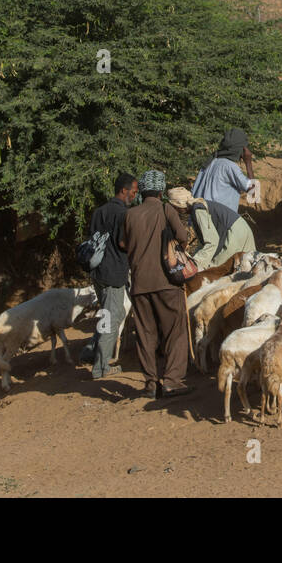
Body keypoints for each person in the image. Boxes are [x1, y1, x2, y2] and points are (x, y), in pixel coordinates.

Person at [121, 170, 190, 399]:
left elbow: (122, 243)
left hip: (139, 285)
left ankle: (151, 383)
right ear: (161, 191)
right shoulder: (164, 209)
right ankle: (172, 381)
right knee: (175, 332)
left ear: (141, 190)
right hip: (166, 282)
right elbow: (182, 236)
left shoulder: (130, 215)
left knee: (146, 335)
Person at [82, 173, 138, 379]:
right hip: (114, 273)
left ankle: (90, 351)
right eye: (133, 191)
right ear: (124, 191)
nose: (135, 195)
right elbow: (123, 243)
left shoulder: (99, 212)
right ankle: (101, 367)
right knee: (112, 318)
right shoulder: (124, 213)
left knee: (109, 314)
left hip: (97, 271)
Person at [169, 186, 256, 269]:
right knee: (246, 268)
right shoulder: (197, 207)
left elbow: (212, 242)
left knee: (218, 269)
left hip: (236, 232)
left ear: (179, 205)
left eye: (175, 208)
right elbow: (204, 241)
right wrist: (195, 257)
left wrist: (196, 262)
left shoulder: (198, 210)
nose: (175, 211)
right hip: (241, 228)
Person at [193, 129, 257, 211]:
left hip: (200, 215)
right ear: (242, 149)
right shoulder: (229, 166)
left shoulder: (211, 161)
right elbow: (253, 192)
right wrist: (248, 163)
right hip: (216, 219)